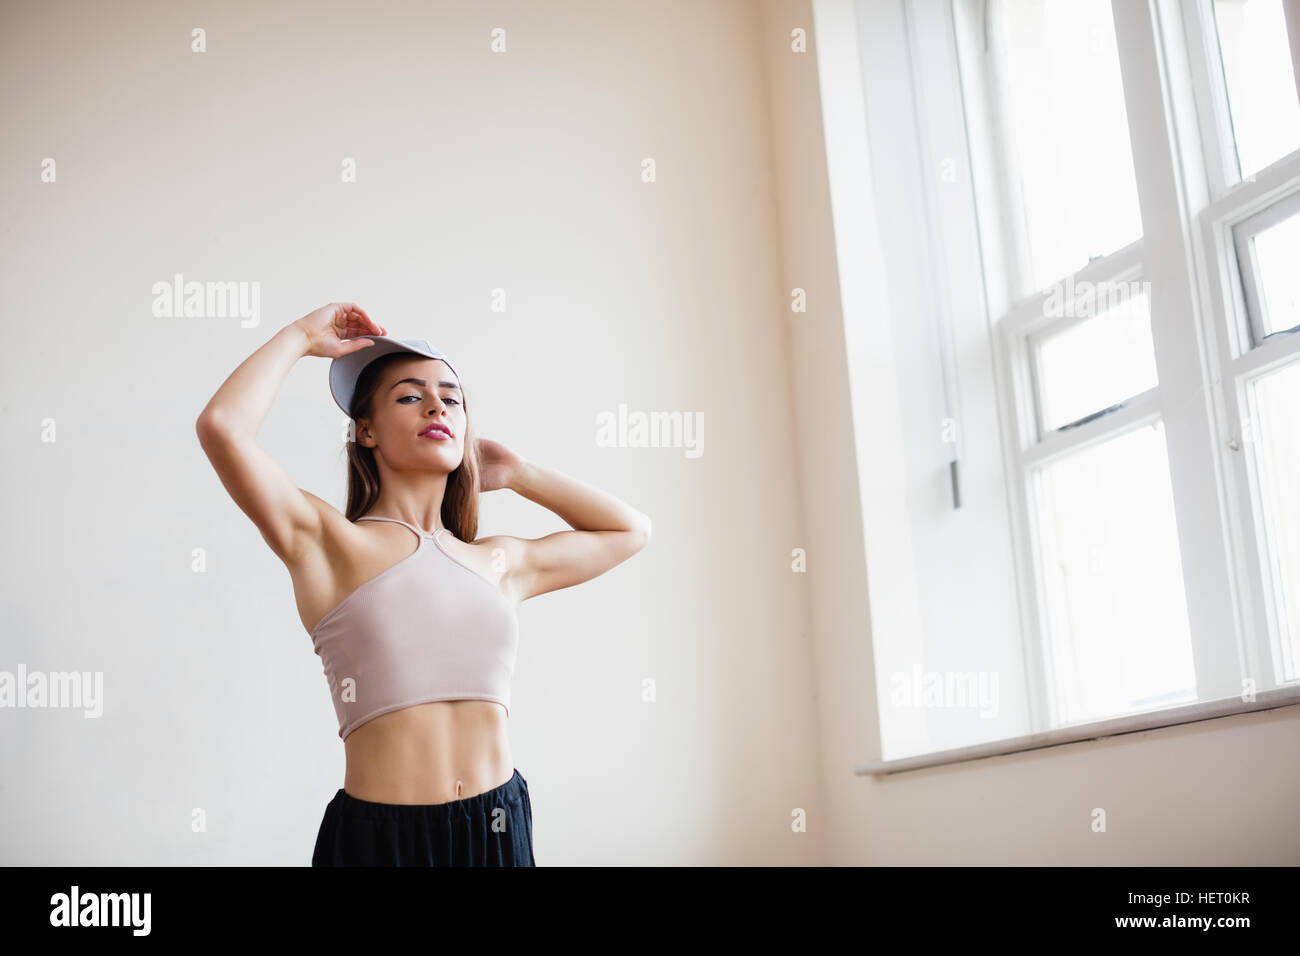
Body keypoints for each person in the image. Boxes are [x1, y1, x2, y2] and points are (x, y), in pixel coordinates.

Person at [195, 302, 652, 865]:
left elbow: (630, 531)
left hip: (497, 828)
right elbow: (222, 428)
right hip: (382, 841)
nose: (437, 404)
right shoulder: (329, 544)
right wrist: (299, 337)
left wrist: (519, 473)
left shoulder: (497, 562)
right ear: (366, 431)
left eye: (451, 398)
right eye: (410, 395)